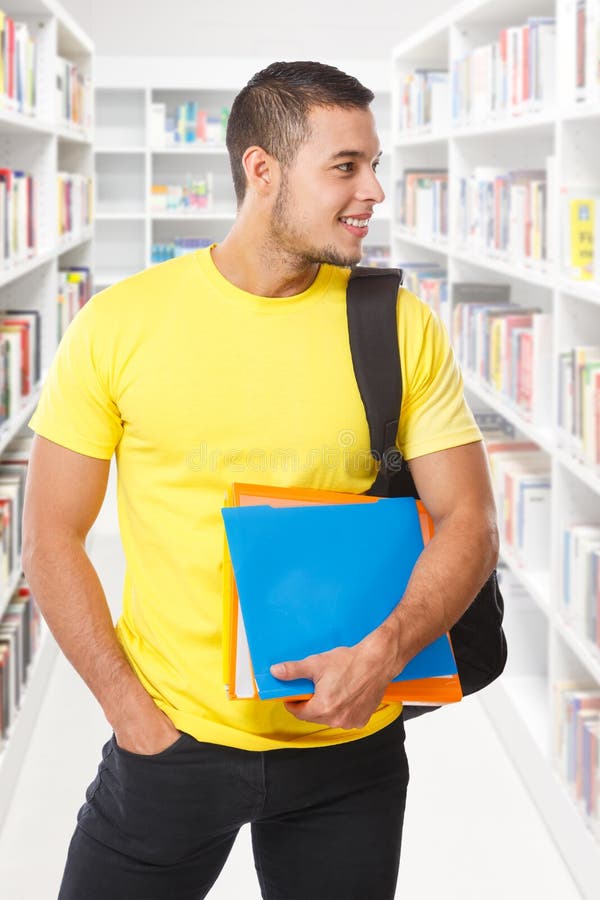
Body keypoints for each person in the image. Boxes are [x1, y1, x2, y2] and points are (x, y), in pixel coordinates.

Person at [23, 61, 499, 900]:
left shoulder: (395, 320)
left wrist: (383, 656)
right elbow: (50, 536)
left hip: (353, 744)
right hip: (171, 744)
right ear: (262, 170)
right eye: (346, 167)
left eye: (375, 164)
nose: (374, 192)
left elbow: (471, 521)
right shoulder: (120, 324)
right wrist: (132, 717)